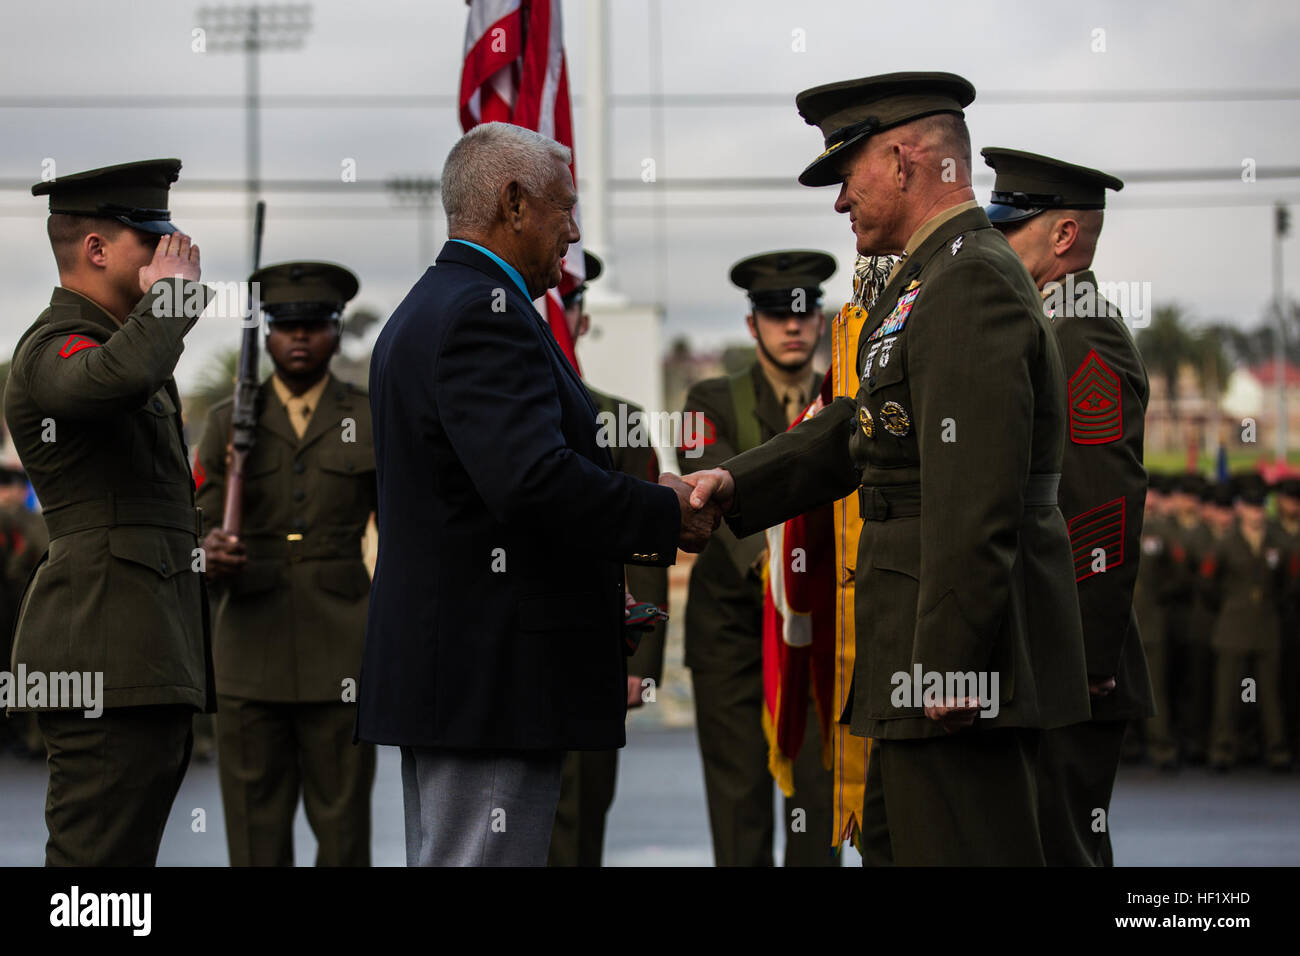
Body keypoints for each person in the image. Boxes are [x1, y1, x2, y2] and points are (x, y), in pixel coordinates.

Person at [683, 73, 1091, 866]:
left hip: (953, 669)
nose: (840, 201)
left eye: (848, 173)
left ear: (905, 163)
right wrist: (736, 485)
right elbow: (859, 424)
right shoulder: (929, 276)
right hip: (915, 653)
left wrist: (950, 664)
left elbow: (975, 498)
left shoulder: (968, 280)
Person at [358, 122, 718, 867]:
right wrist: (664, 512)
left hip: (460, 675)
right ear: (515, 202)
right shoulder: (481, 317)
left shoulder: (439, 304)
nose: (574, 229)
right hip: (489, 678)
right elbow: (534, 483)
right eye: (565, 206)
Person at [4, 159, 213, 866]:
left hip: (146, 657)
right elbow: (112, 381)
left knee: (121, 870)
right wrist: (175, 303)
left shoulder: (129, 351)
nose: (170, 250)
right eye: (149, 237)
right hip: (101, 661)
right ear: (95, 250)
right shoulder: (53, 347)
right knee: (91, 868)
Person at [982, 148, 1154, 866]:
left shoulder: (1081, 328)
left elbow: (1101, 497)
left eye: (1010, 227)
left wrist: (1081, 648)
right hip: (1045, 655)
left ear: (1061, 237)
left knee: (1065, 851)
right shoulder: (1044, 321)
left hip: (1073, 661)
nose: (995, 242)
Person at [196, 261, 378, 866]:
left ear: (337, 331)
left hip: (344, 644)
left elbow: (402, 533)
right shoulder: (227, 420)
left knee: (344, 829)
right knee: (254, 831)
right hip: (248, 646)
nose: (299, 337)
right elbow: (192, 524)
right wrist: (208, 551)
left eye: (315, 324)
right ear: (266, 333)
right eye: (284, 325)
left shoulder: (369, 418)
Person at [679, 249, 839, 867]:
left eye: (803, 313)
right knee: (739, 807)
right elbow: (706, 494)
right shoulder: (708, 397)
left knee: (815, 803)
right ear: (753, 326)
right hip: (734, 633)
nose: (792, 326)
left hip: (816, 631)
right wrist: (780, 571)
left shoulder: (843, 397)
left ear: (820, 321)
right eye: (777, 315)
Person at [547, 251, 672, 867]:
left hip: (592, 655)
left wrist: (639, 660)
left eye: (562, 304)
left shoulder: (619, 422)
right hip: (498, 653)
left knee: (576, 825)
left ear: (582, 320)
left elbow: (645, 551)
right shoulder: (483, 416)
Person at [1202, 478, 1293, 771]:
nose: (1256, 513)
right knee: (1226, 695)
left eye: (1260, 508)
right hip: (1233, 626)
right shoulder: (1225, 543)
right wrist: (1230, 605)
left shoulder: (1277, 543)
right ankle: (1222, 750)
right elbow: (1208, 585)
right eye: (1252, 508)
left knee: (1270, 695)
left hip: (1267, 626)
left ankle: (1276, 751)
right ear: (1242, 510)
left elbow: (1287, 584)